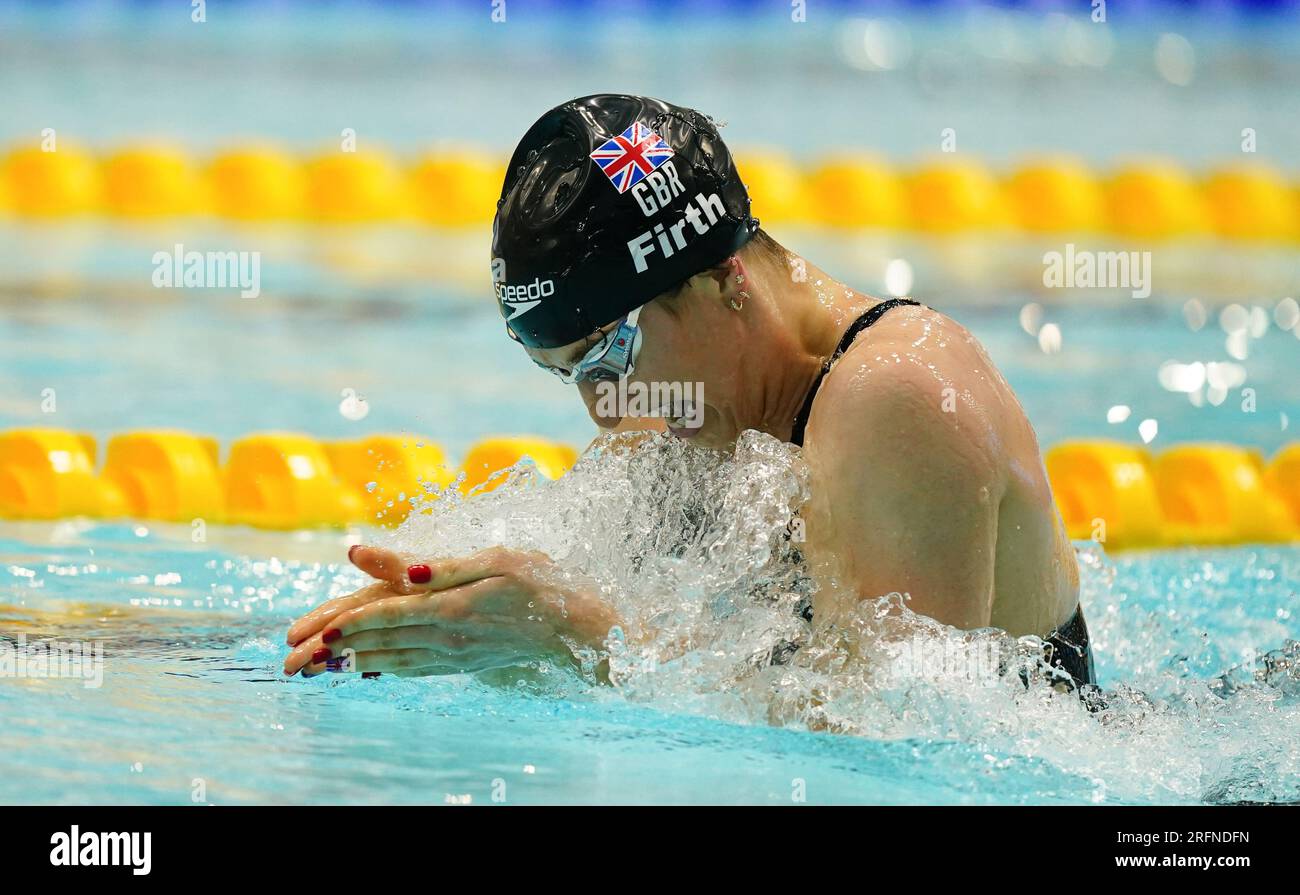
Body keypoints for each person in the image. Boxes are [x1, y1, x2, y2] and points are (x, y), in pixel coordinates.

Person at [284, 94, 1093, 690]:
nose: (606, 409)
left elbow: (907, 746)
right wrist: (439, 617)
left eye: (612, 353)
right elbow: (586, 591)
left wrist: (581, 639)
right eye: (570, 374)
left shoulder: (897, 399)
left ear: (720, 278)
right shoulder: (689, 407)